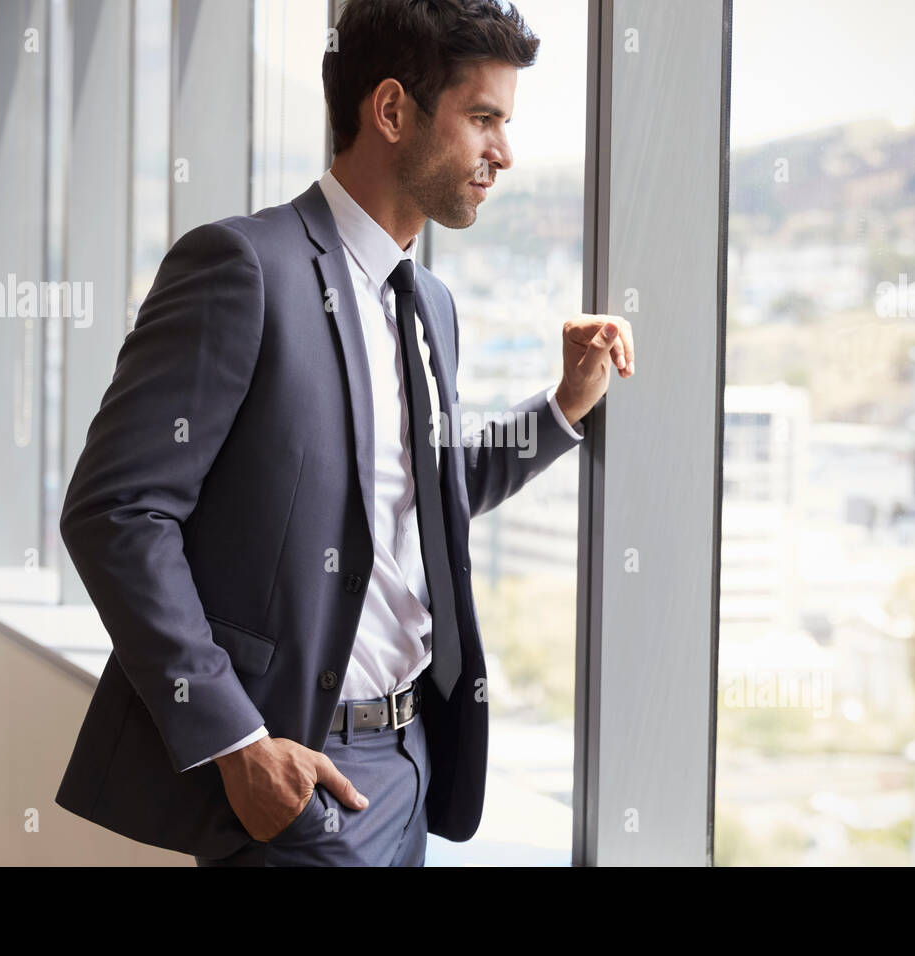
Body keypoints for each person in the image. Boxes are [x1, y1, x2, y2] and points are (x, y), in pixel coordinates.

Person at [53, 0, 635, 866]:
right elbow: (117, 512)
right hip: (297, 772)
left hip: (411, 766)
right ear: (392, 111)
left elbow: (423, 501)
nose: (502, 153)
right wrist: (239, 744)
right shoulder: (242, 267)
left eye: (504, 125)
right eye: (483, 119)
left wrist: (562, 409)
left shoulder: (428, 302)